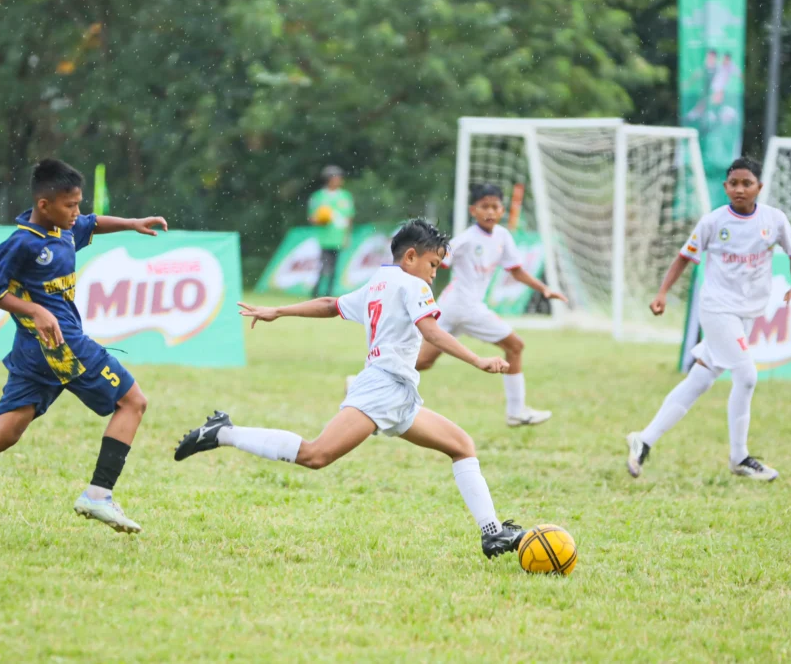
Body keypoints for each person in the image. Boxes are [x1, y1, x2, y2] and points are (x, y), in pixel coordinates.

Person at [176, 219, 528, 559]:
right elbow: (431, 332)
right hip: (382, 389)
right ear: (410, 257)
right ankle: (223, 432)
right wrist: (478, 359)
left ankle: (492, 532)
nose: (435, 273)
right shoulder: (412, 285)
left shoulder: (379, 281)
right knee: (316, 455)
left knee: (462, 445)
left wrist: (279, 310)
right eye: (433, 264)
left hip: (399, 393)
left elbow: (332, 305)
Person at [0, 159, 167, 544]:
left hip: (32, 351)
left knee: (7, 430)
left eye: (79, 204)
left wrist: (131, 223)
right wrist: (36, 309)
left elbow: (94, 223)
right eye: (70, 205)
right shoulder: (22, 243)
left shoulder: (65, 229)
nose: (78, 213)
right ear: (44, 205)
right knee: (133, 402)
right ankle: (98, 493)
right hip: (62, 346)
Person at [626, 157, 791, 481]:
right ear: (725, 187)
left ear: (759, 188)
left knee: (701, 379)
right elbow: (684, 257)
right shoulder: (712, 222)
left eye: (746, 183)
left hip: (748, 311)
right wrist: (662, 293)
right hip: (717, 308)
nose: (739, 189)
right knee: (747, 375)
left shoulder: (774, 220)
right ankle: (739, 457)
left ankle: (644, 439)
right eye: (733, 183)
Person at [416, 183, 568, 427]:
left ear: (502, 210)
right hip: (463, 305)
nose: (490, 212)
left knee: (423, 362)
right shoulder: (466, 239)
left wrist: (544, 289)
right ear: (473, 210)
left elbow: (516, 271)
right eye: (484, 207)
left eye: (494, 207)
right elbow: (438, 261)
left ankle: (362, 381)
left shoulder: (502, 236)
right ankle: (516, 412)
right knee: (516, 346)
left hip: (453, 306)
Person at [307, 165, 354, 297]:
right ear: (329, 179)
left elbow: (349, 218)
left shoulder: (345, 196)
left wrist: (347, 236)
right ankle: (315, 293)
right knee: (324, 268)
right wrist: (321, 220)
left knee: (334, 269)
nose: (339, 180)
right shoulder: (318, 197)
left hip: (338, 237)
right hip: (325, 238)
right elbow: (312, 218)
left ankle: (329, 294)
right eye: (337, 177)